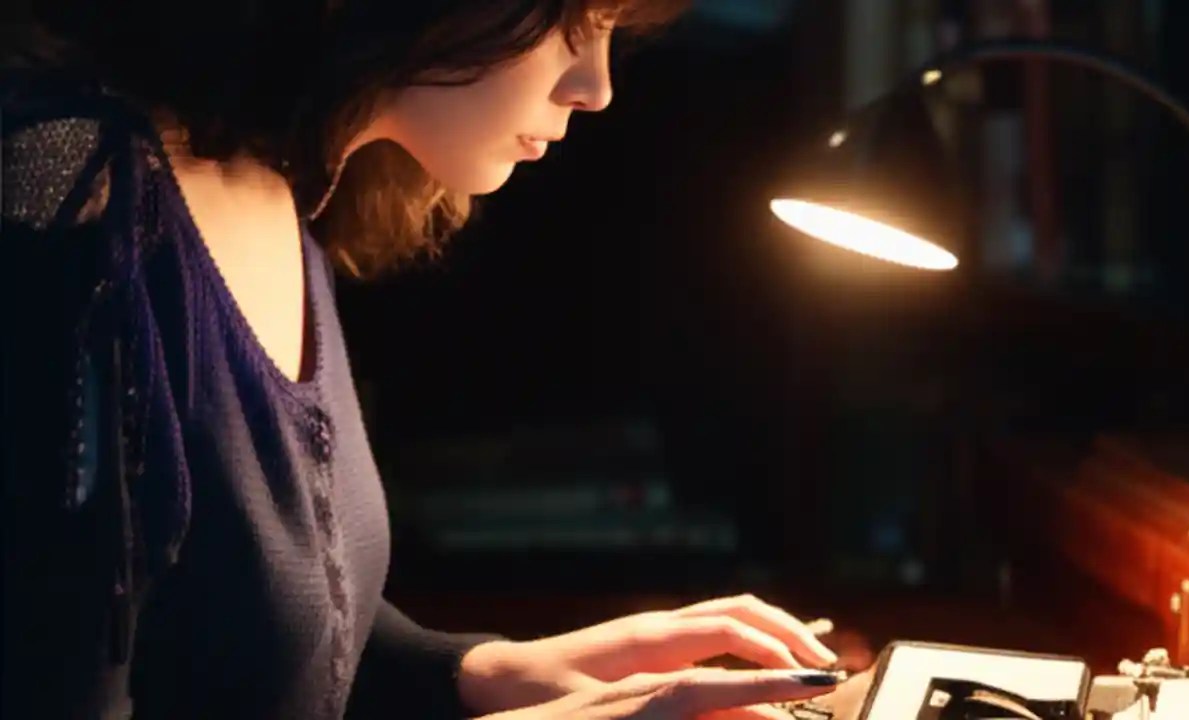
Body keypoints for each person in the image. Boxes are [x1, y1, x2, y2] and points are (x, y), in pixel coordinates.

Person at [0, 1, 851, 718]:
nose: (596, 88)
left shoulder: (270, 189)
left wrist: (482, 673)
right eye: (571, 23)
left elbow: (253, 655)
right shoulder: (74, 214)